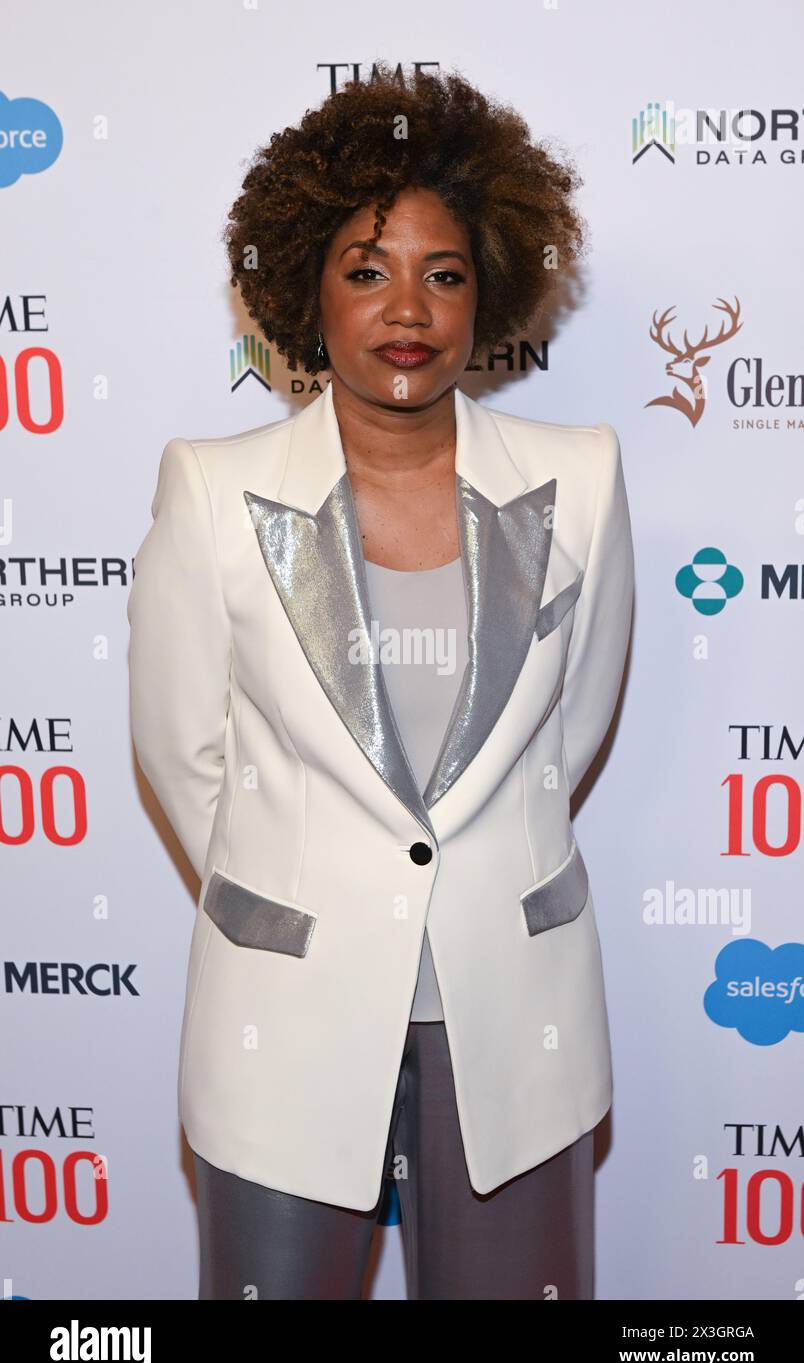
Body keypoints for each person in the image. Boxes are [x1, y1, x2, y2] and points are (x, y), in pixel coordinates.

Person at [127, 62, 635, 1300]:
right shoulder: (210, 488)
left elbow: (567, 735)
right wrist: (319, 894)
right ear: (306, 288)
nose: (406, 306)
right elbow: (186, 754)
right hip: (290, 1008)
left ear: (486, 293)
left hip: (513, 1011)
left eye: (443, 273)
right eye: (366, 268)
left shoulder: (583, 479)